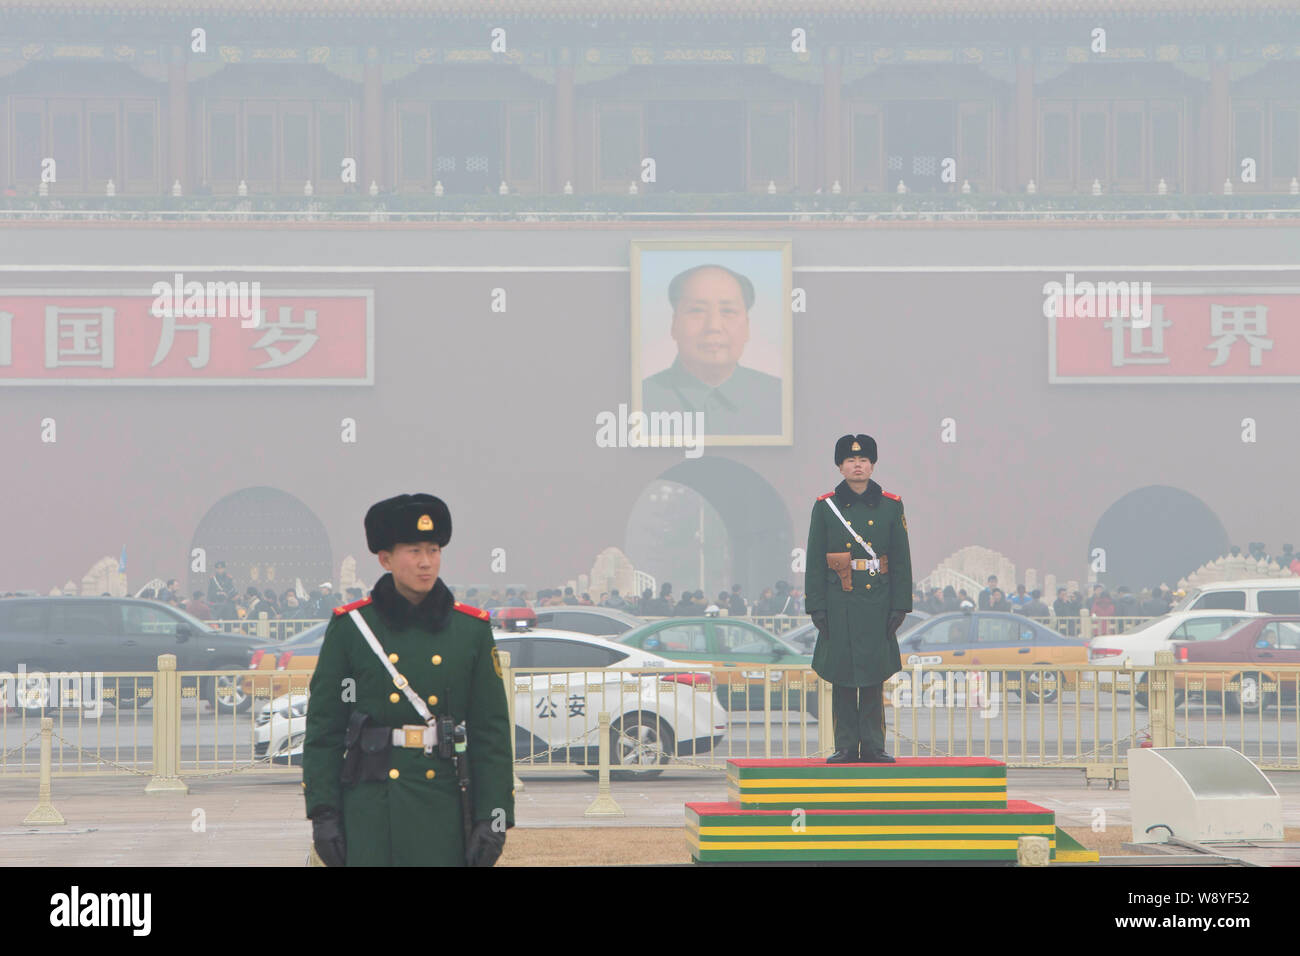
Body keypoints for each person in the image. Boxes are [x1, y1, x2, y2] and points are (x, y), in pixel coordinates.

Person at [303, 493, 514, 867]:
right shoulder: (353, 628)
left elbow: (490, 733)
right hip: (371, 806)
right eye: (413, 551)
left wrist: (493, 817)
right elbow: (325, 728)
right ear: (385, 559)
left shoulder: (470, 630)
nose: (426, 563)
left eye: (433, 550)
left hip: (445, 805)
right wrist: (324, 813)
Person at [805, 434, 912, 764]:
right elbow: (814, 560)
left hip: (876, 602)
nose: (857, 465)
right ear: (840, 466)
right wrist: (817, 606)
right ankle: (846, 746)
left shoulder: (891, 505)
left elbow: (901, 558)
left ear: (873, 464)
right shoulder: (826, 507)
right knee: (842, 676)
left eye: (864, 460)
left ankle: (874, 745)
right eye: (850, 461)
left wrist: (900, 604)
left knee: (872, 676)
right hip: (841, 602)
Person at [640, 264, 782, 436]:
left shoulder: (781, 399)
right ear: (674, 325)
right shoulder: (640, 400)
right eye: (697, 311)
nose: (713, 326)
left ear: (747, 327)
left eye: (728, 311)